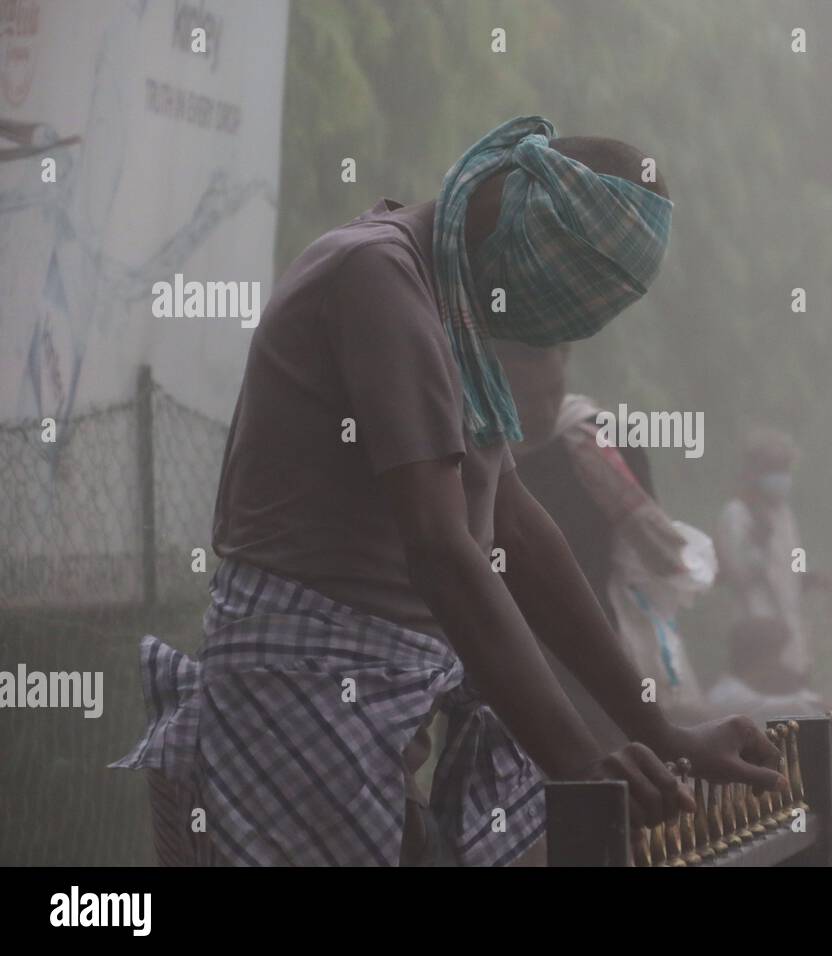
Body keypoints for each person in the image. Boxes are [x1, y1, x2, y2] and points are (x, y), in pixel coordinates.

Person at [113, 117, 782, 867]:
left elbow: (516, 532)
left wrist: (657, 733)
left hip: (376, 709)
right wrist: (578, 764)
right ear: (515, 211)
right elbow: (441, 546)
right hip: (301, 700)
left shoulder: (453, 313)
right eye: (555, 294)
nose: (543, 331)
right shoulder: (377, 277)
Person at [495, 342, 705, 751]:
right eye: (524, 399)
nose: (541, 411)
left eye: (551, 393)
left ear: (566, 357)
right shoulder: (480, 451)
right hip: (506, 643)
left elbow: (651, 549)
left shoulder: (601, 440)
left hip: (590, 632)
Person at [715, 426, 814, 678]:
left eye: (784, 469)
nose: (781, 477)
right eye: (773, 469)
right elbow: (737, 575)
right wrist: (759, 543)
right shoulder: (736, 514)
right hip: (755, 628)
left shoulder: (784, 514)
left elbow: (792, 566)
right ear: (754, 472)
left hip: (788, 626)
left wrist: (807, 578)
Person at [707, 617, 824, 722]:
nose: (779, 663)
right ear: (758, 655)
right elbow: (792, 707)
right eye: (775, 654)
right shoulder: (727, 696)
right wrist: (817, 705)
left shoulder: (767, 687)